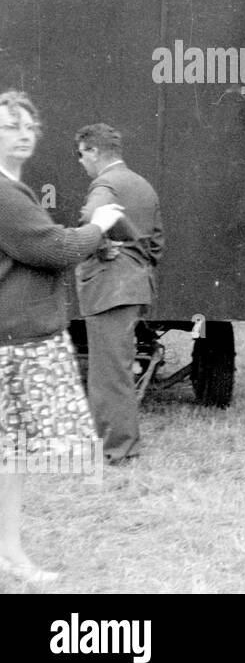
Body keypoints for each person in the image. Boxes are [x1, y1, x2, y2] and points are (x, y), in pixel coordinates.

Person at [0, 91, 125, 584]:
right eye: (10, 125)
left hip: (15, 343)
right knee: (10, 460)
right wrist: (99, 226)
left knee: (10, 460)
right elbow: (54, 248)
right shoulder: (4, 193)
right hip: (13, 347)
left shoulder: (11, 188)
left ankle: (9, 552)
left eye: (30, 125)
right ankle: (12, 555)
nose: (24, 132)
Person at [75, 123, 164, 465]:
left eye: (81, 155)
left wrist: (100, 245)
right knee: (116, 368)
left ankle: (116, 450)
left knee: (108, 373)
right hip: (134, 285)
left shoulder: (106, 184)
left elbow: (88, 217)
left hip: (110, 288)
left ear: (95, 152)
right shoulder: (142, 184)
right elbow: (156, 243)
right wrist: (133, 257)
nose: (81, 162)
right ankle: (116, 444)